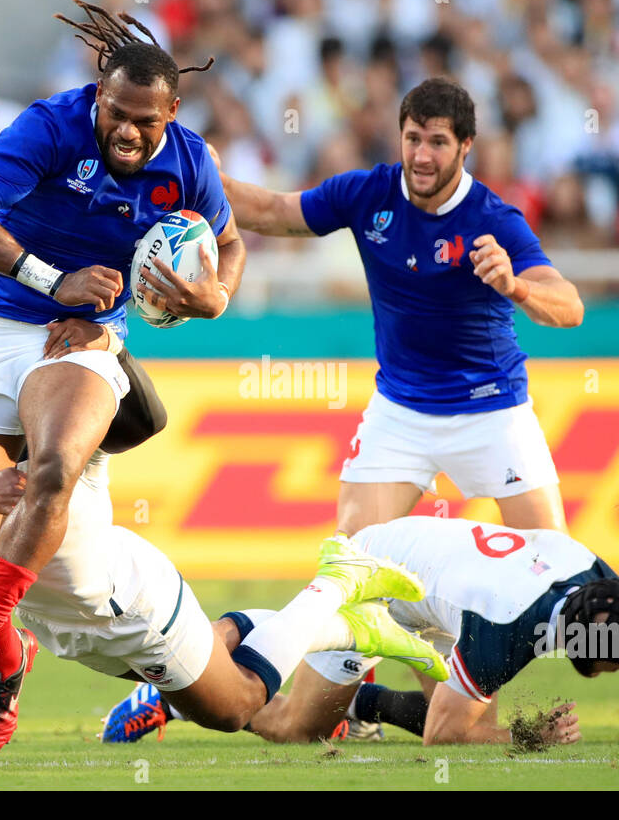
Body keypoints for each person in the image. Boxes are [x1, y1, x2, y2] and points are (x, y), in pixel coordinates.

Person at [211, 76, 585, 736]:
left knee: (559, 571)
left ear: (465, 147)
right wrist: (200, 179)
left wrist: (517, 286)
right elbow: (271, 211)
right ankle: (379, 704)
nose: (422, 154)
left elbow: (571, 307)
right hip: (401, 415)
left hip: (490, 410)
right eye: (413, 137)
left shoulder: (494, 220)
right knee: (353, 564)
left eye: (438, 142)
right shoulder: (369, 194)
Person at [0, 0, 245, 760]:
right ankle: (6, 649)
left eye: (148, 120)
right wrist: (50, 277)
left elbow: (228, 246)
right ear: (98, 96)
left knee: (56, 469)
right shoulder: (48, 125)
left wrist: (214, 297)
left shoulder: (192, 162)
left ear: (174, 111)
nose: (129, 132)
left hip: (84, 337)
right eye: (117, 113)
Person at [0, 441, 448, 759]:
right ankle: (355, 632)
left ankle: (337, 585)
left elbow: (147, 415)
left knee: (236, 707)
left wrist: (104, 342)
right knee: (214, 671)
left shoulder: (73, 412)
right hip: (60, 624)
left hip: (129, 604)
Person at [102, 515, 619, 747]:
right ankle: (180, 689)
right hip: (380, 580)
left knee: (472, 719)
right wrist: (528, 739)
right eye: (616, 660)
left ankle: (355, 701)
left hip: (440, 585)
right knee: (294, 728)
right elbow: (442, 735)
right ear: (580, 639)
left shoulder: (597, 585)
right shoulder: (508, 627)